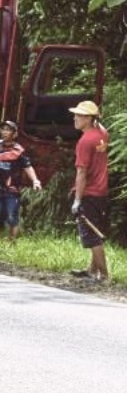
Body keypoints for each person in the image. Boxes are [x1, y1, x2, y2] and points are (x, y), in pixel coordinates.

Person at [69, 101, 111, 282]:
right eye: (76, 114)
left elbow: (81, 172)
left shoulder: (85, 141)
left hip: (89, 193)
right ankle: (91, 271)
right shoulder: (102, 134)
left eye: (80, 115)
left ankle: (104, 276)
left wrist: (77, 200)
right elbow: (101, 125)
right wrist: (96, 118)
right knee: (95, 231)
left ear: (89, 118)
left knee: (92, 237)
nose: (75, 118)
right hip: (101, 192)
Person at [0, 120, 41, 241]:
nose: (4, 132)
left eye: (8, 130)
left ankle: (12, 242)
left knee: (12, 217)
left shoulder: (19, 151)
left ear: (14, 134)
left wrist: (35, 180)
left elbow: (28, 166)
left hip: (12, 190)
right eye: (3, 129)